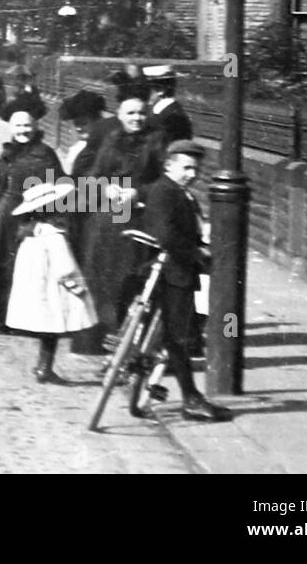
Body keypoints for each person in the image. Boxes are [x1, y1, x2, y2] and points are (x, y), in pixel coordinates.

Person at [140, 140, 232, 422]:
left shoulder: (180, 192)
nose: (192, 173)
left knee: (177, 336)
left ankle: (167, 387)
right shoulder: (164, 192)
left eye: (196, 169)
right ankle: (190, 399)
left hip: (178, 271)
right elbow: (166, 235)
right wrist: (195, 252)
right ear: (169, 165)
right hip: (172, 273)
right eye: (186, 167)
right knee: (177, 338)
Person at [75, 93, 165, 350]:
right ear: (120, 116)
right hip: (107, 219)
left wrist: (139, 192)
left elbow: (163, 181)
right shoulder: (112, 140)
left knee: (129, 278)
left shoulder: (157, 142)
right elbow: (94, 175)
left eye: (141, 113)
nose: (136, 118)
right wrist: (105, 188)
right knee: (100, 277)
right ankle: (96, 339)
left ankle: (127, 342)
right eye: (130, 113)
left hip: (138, 218)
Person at [0, 105, 65, 330]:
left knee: (26, 268)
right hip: (5, 216)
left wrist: (49, 217)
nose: (23, 131)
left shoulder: (45, 154)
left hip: (31, 216)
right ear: (11, 128)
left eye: (27, 126)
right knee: (1, 264)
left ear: (35, 128)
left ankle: (23, 320)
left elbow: (58, 186)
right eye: (18, 126)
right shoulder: (8, 152)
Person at [6, 181, 97, 384]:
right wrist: (78, 287)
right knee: (52, 331)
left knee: (47, 330)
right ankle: (45, 368)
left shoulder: (29, 234)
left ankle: (42, 366)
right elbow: (64, 267)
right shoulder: (54, 236)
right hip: (53, 291)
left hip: (37, 290)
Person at [142, 65, 194, 146]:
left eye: (145, 89)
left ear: (161, 90)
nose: (141, 94)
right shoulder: (161, 111)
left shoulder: (174, 117)